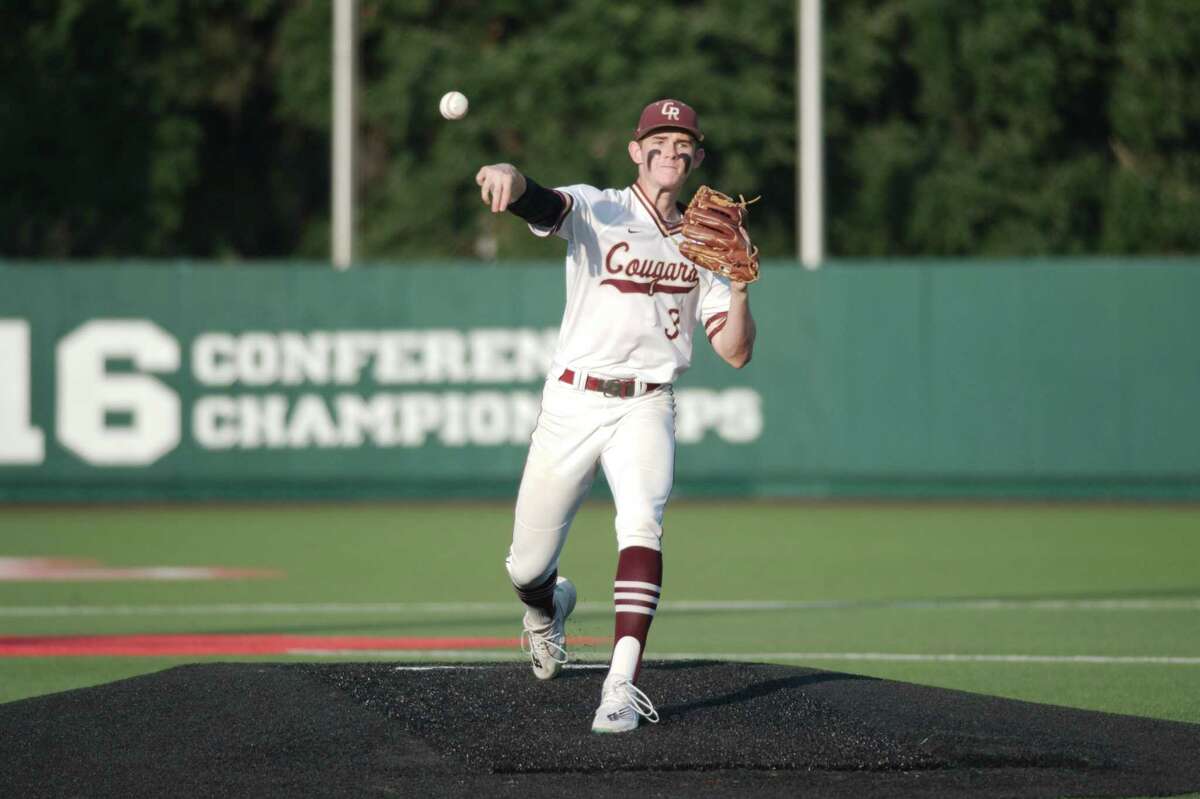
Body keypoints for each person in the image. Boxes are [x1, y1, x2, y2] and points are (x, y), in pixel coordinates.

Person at [475, 99, 757, 733]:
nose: (671, 152)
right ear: (636, 150)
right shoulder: (599, 208)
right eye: (659, 140)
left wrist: (738, 286)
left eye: (684, 144)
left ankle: (620, 685)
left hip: (648, 402)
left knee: (642, 526)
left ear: (697, 158)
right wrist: (508, 174)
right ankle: (547, 610)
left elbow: (735, 352)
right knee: (525, 567)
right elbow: (540, 201)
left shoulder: (708, 242)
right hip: (573, 400)